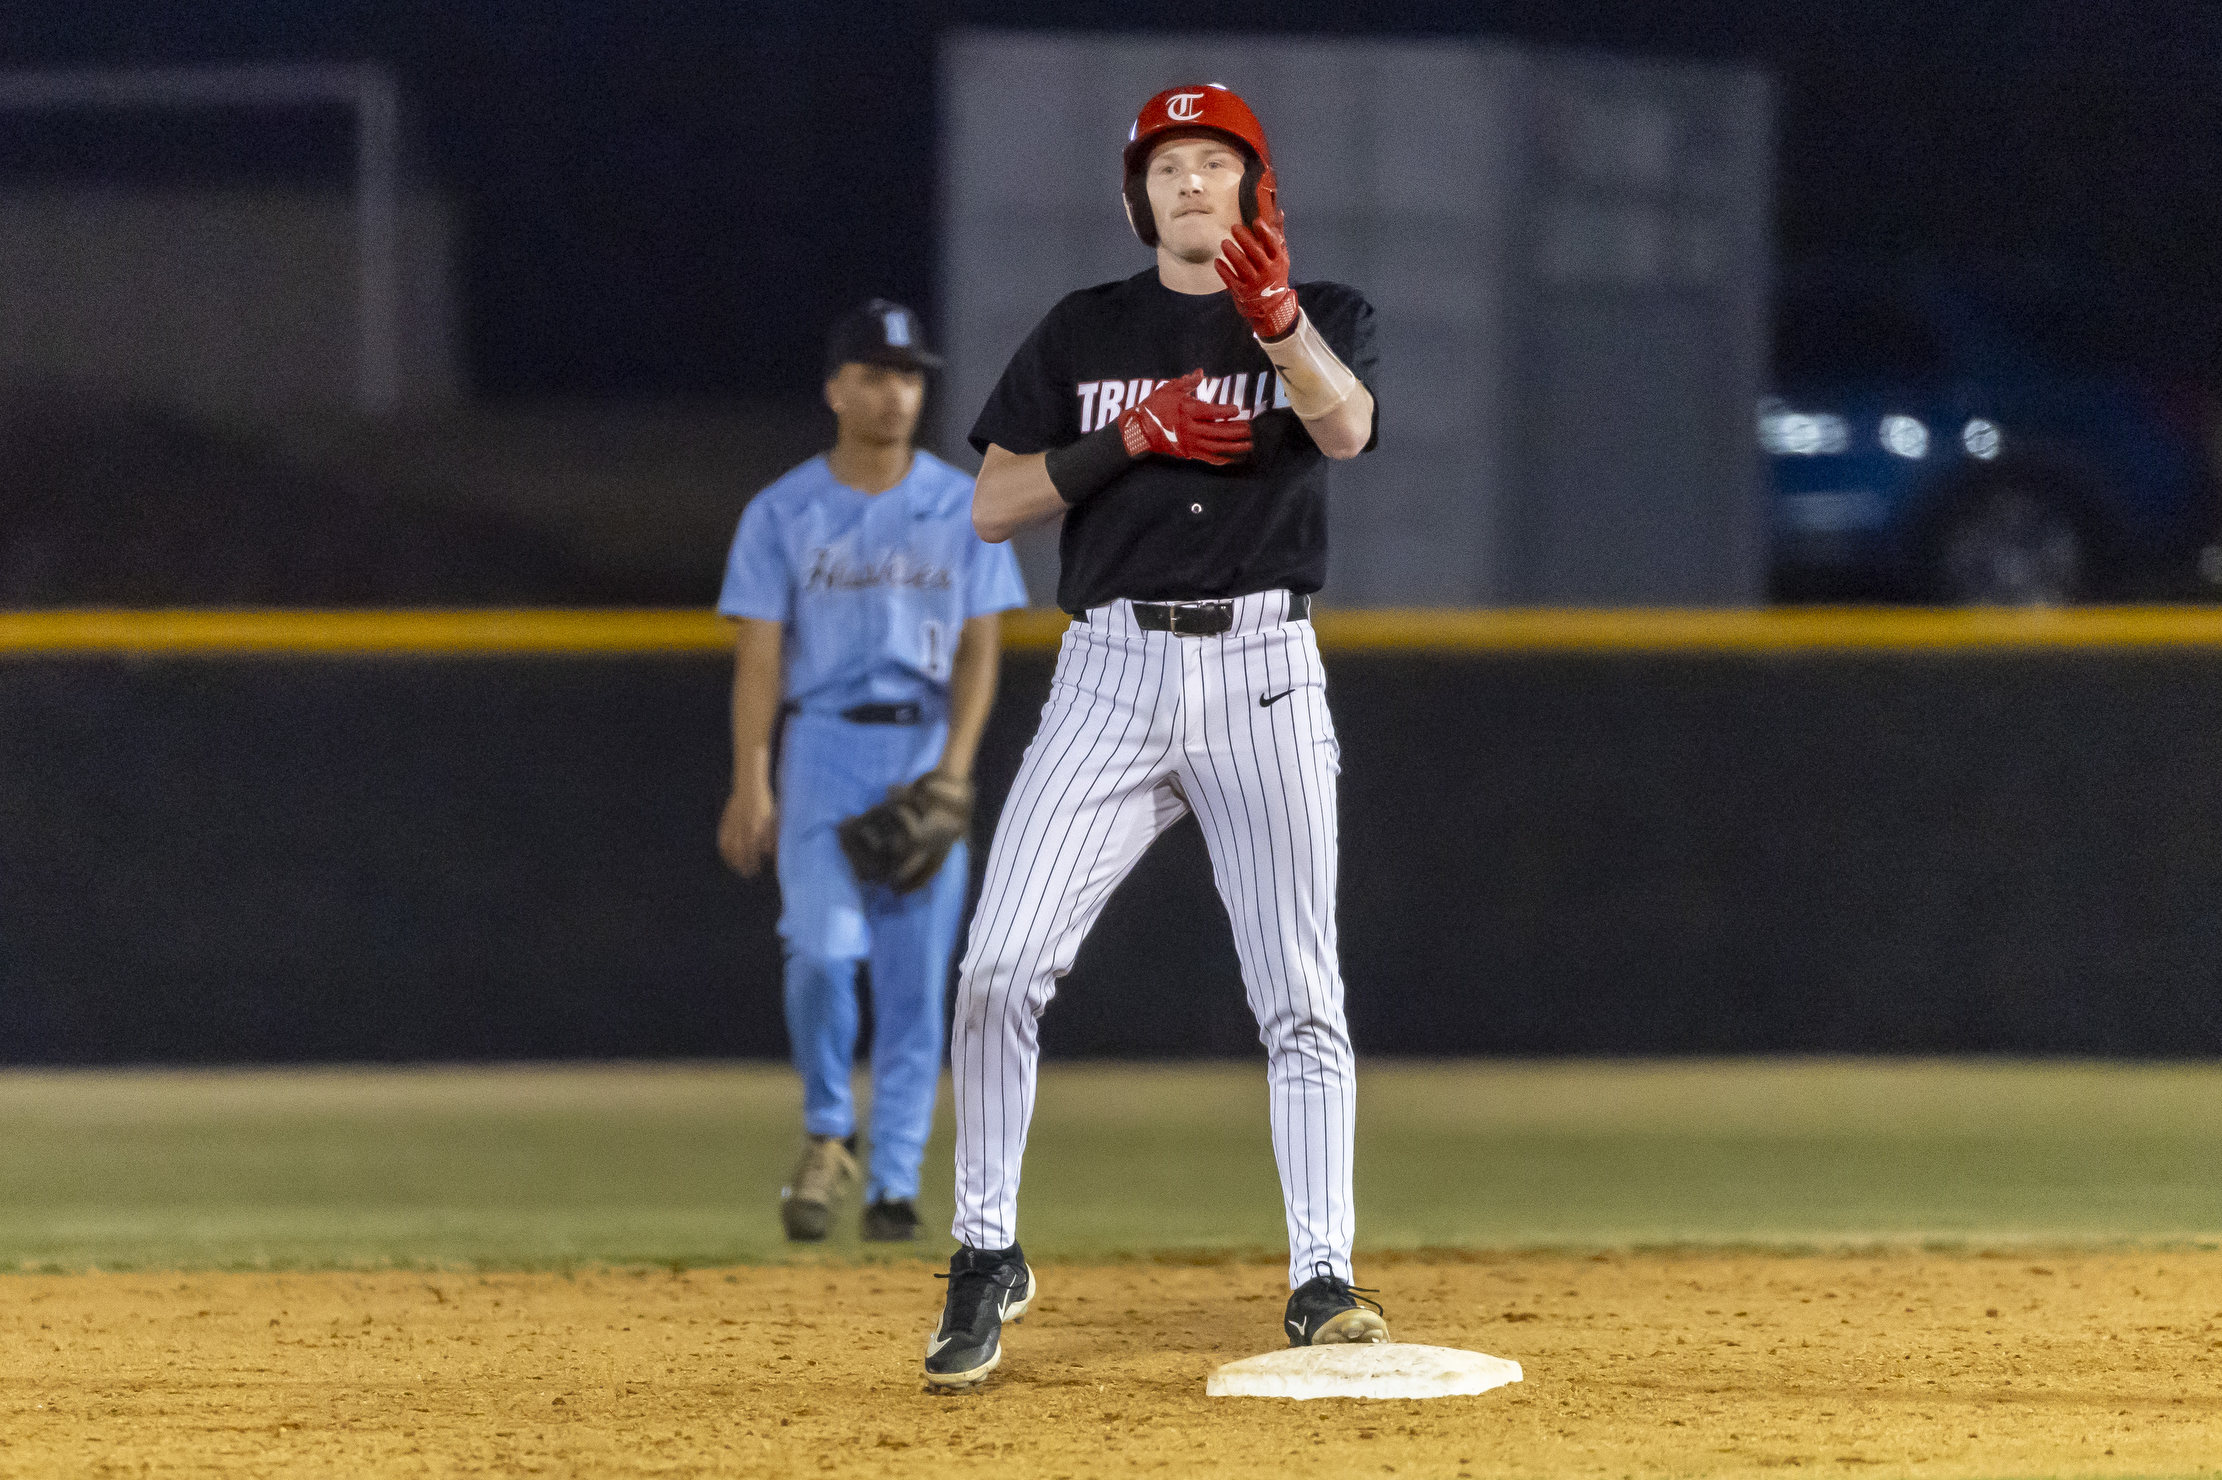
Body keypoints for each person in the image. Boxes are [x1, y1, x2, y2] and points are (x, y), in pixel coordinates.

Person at [920, 84, 1385, 1391]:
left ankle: (1321, 1275)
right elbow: (993, 504)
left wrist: (1277, 323)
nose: (1188, 184)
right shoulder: (1086, 328)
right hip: (1111, 673)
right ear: (1139, 195)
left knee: (1299, 992)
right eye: (1166, 165)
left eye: (1212, 162)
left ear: (1252, 189)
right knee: (1001, 968)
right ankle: (984, 1252)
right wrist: (1123, 437)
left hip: (1262, 672)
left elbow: (1343, 428)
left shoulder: (1322, 312)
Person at [717, 299, 1027, 1244]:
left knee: (914, 981)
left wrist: (954, 773)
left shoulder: (962, 499)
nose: (896, 391)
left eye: (909, 374)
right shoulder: (784, 510)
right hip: (824, 745)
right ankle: (827, 1130)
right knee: (819, 949)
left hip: (922, 744)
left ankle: (894, 1180)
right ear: (835, 388)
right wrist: (751, 778)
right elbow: (761, 657)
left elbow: (982, 649)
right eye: (876, 372)